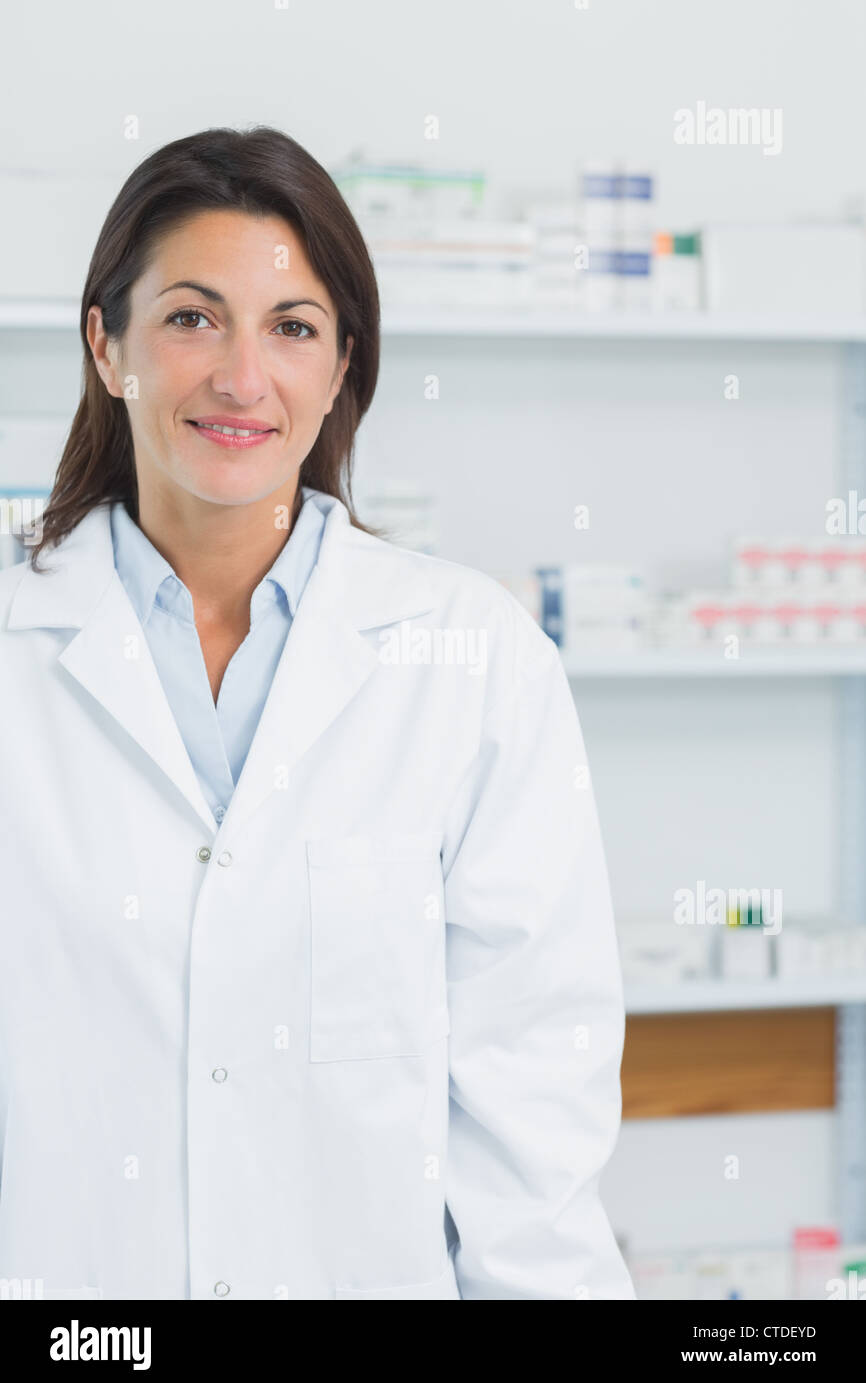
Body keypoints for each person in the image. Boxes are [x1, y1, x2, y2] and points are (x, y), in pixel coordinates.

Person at [0, 126, 635, 1301]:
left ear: (342, 367)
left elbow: (529, 1117)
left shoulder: (473, 662)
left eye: (292, 328)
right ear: (107, 345)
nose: (243, 377)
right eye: (192, 317)